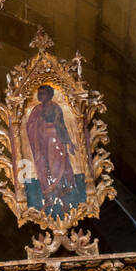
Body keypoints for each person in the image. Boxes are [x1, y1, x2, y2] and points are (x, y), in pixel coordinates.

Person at [24, 85, 85, 216]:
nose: (40, 96)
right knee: (44, 166)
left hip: (55, 141)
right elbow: (30, 125)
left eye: (43, 93)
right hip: (40, 143)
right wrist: (38, 122)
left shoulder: (55, 107)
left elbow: (61, 125)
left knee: (59, 167)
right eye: (39, 93)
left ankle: (64, 199)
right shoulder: (36, 109)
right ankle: (48, 199)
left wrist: (69, 142)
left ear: (49, 94)